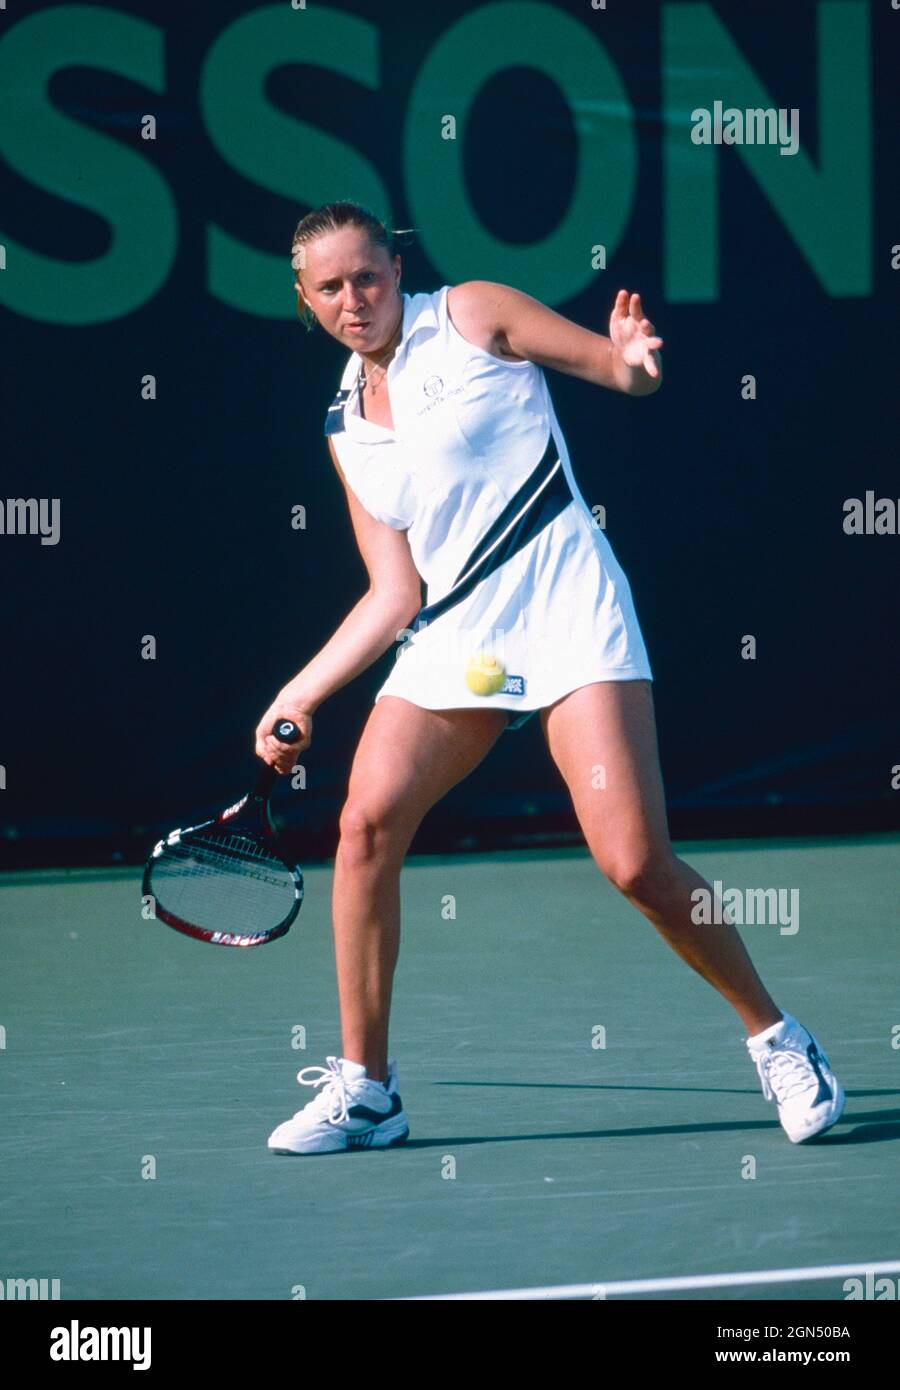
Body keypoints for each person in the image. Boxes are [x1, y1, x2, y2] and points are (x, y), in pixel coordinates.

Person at [255, 201, 844, 1156]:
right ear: (305, 298)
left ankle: (779, 1039)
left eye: (368, 276)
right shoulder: (344, 425)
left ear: (396, 268)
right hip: (457, 640)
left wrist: (634, 363)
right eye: (331, 288)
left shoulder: (475, 314)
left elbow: (616, 370)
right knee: (365, 822)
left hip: (568, 608)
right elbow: (393, 591)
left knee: (635, 862)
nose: (354, 299)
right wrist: (300, 693)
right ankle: (368, 1091)